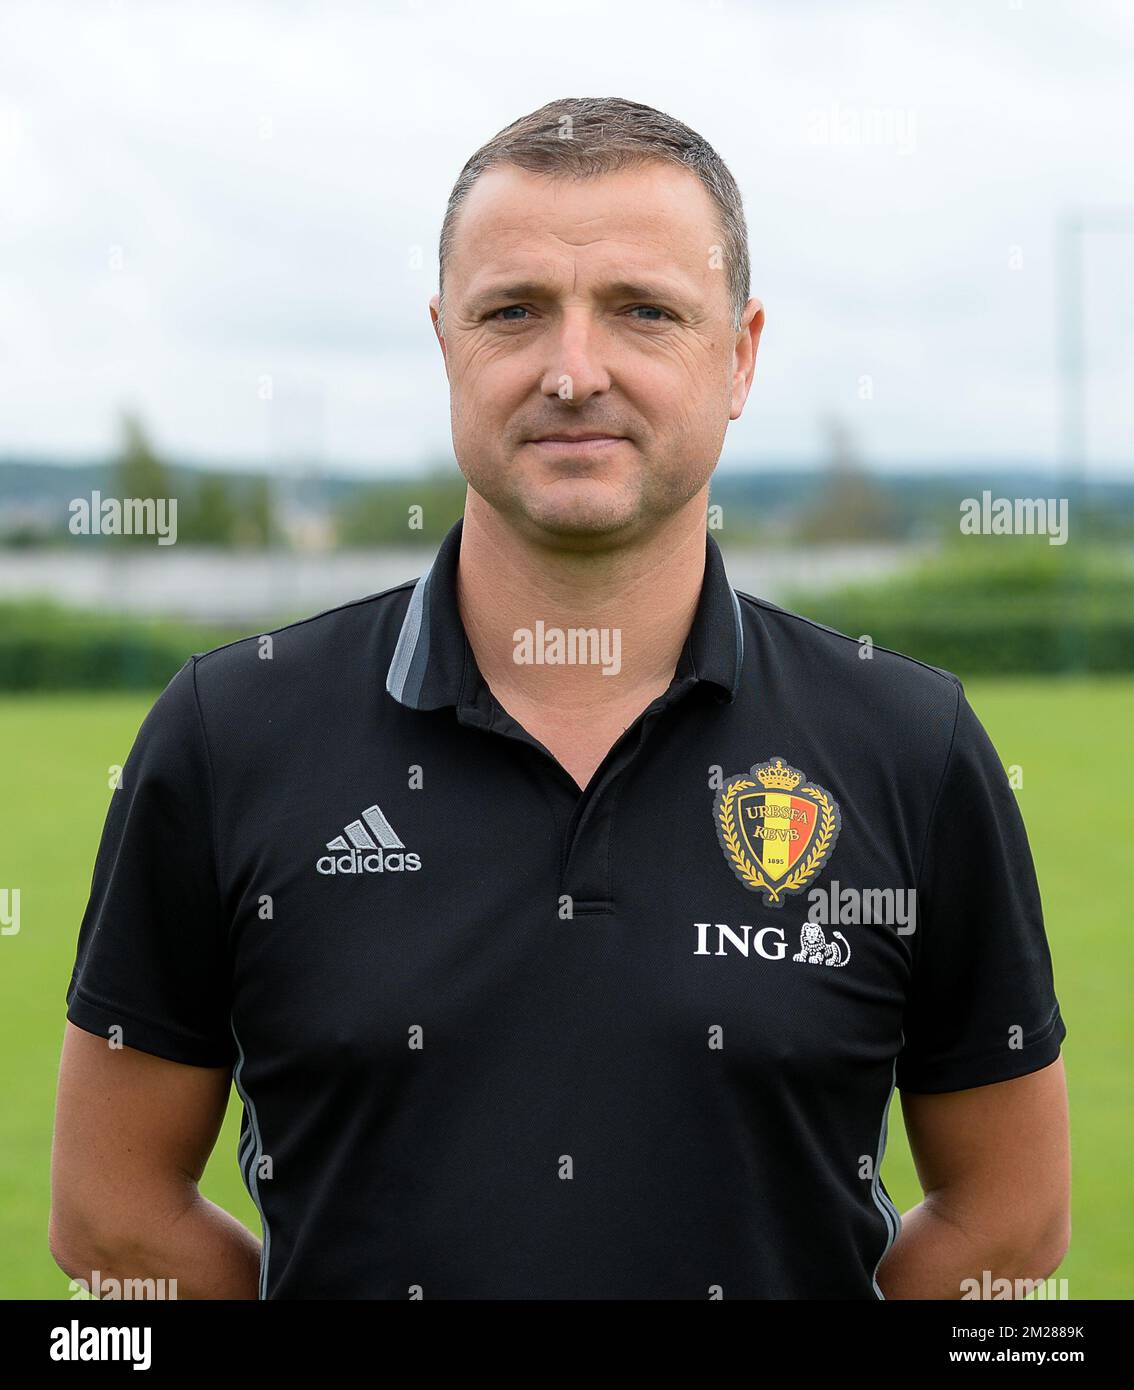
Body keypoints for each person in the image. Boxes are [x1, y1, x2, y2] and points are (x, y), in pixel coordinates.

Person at [51, 96, 1069, 1300]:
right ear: (446, 344)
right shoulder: (230, 733)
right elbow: (113, 1218)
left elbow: (1011, 1220)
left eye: (644, 311)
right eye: (515, 311)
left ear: (738, 356)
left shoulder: (912, 744)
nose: (574, 371)